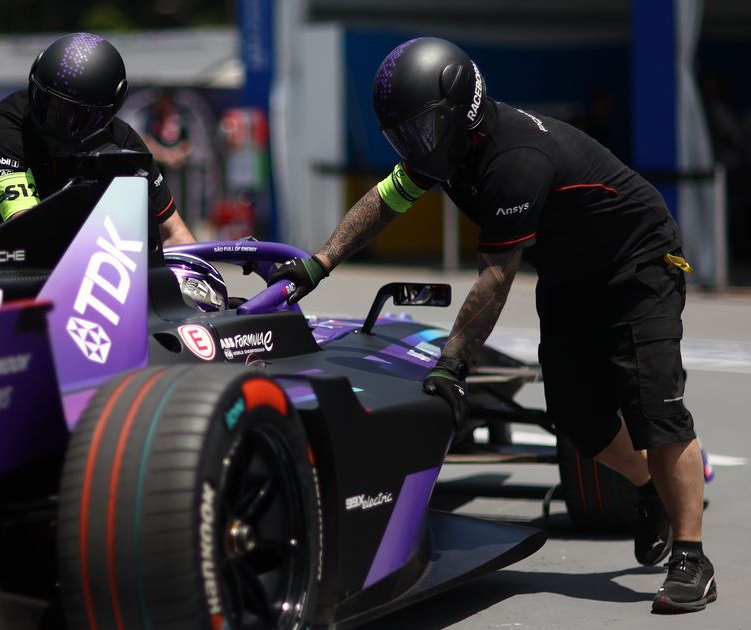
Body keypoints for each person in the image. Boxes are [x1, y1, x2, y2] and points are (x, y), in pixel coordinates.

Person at [270, 37, 715, 614]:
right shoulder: (446, 151)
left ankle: (691, 558)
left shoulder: (515, 161)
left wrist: (453, 365)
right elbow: (382, 204)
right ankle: (649, 487)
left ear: (462, 113)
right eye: (402, 137)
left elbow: (494, 280)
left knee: (655, 410)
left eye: (420, 132)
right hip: (570, 272)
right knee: (576, 420)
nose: (413, 147)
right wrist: (319, 263)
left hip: (638, 263)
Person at [0, 32, 195, 255]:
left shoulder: (123, 142)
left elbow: (175, 234)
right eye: (47, 105)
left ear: (106, 114)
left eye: (75, 116)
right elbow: (26, 228)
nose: (54, 123)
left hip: (44, 249)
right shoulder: (0, 129)